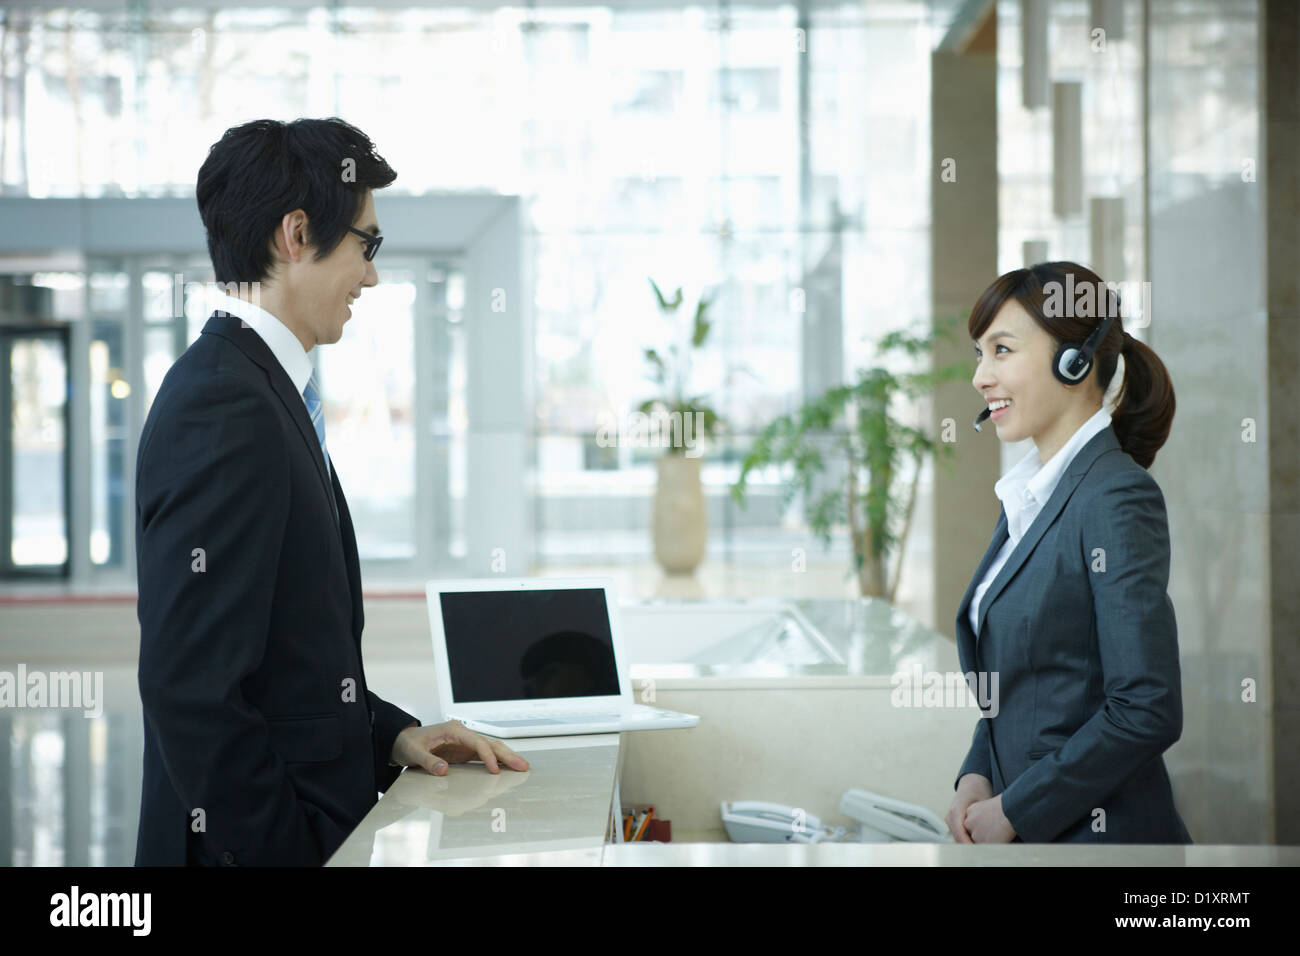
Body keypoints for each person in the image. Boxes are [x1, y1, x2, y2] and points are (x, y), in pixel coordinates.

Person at [135, 117, 528, 867]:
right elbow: (193, 690)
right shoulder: (225, 404)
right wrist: (288, 851)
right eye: (365, 244)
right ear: (295, 234)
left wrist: (392, 736)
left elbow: (288, 665)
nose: (372, 275)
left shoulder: (259, 389)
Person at [946, 261, 1191, 844]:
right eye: (979, 354)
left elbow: (1147, 706)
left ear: (1073, 362)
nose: (981, 376)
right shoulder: (1033, 495)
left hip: (1102, 848)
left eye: (1001, 350)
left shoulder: (1113, 496)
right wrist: (977, 774)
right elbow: (1033, 681)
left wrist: (1017, 810)